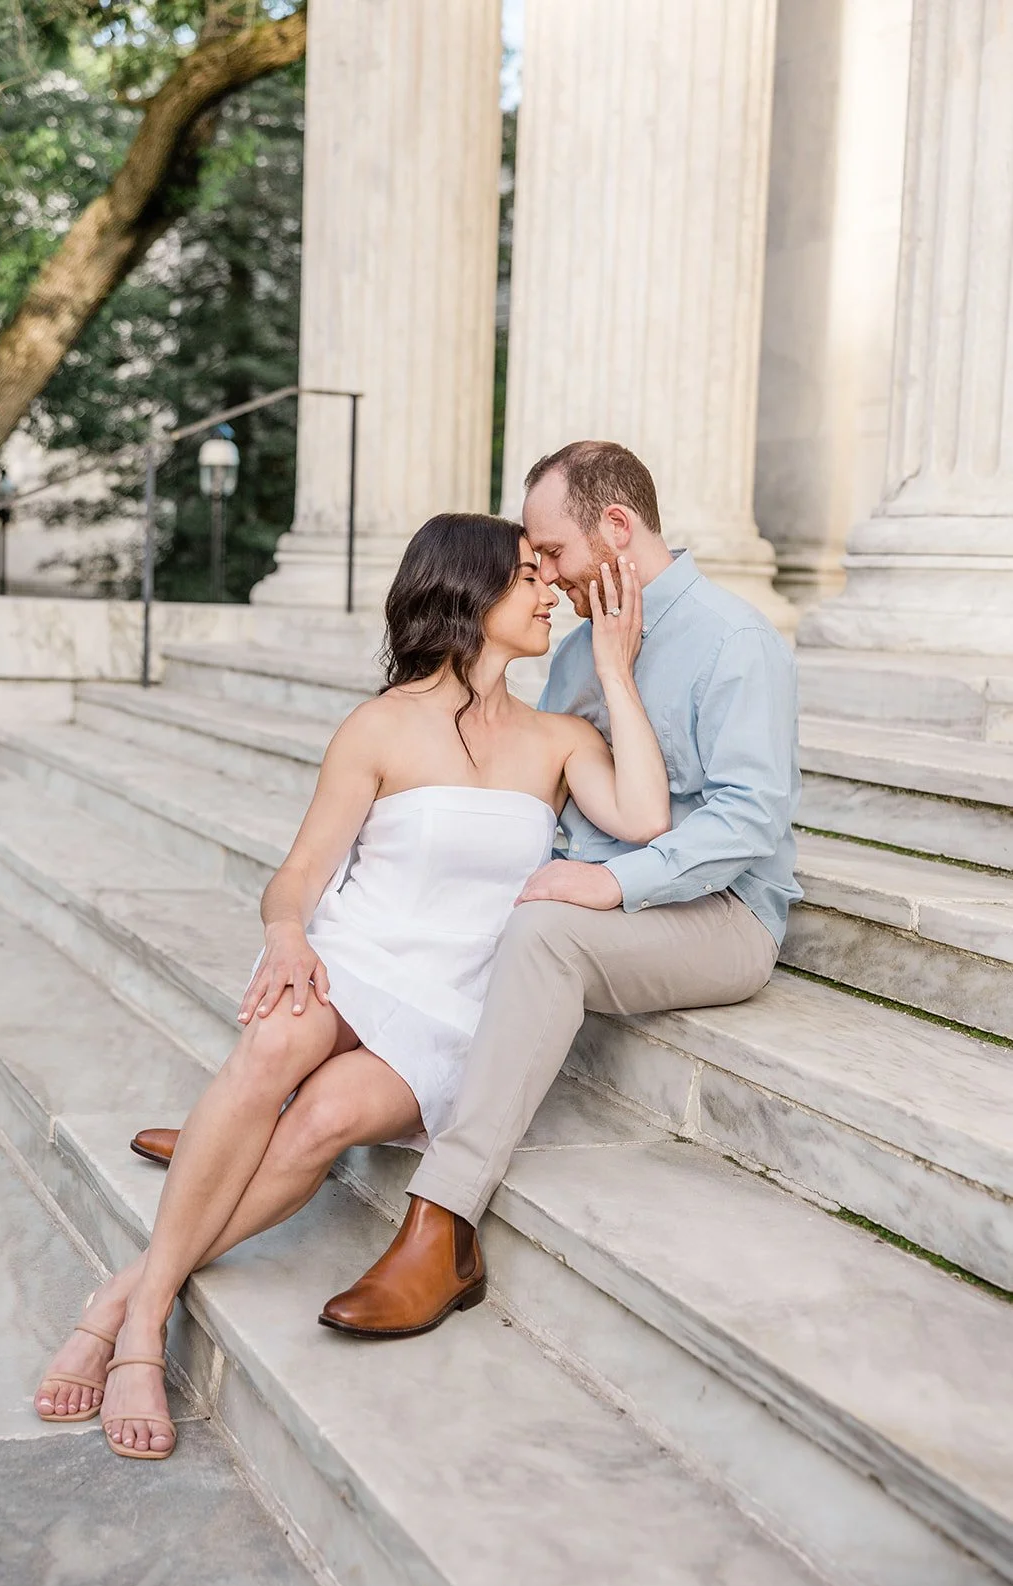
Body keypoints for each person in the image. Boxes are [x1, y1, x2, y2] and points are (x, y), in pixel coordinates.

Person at [33, 508, 670, 1457]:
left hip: (455, 1003)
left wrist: (615, 670)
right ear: (468, 591)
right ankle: (137, 1326)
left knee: (323, 1122)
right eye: (529, 578)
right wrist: (288, 938)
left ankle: (122, 1296)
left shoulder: (558, 740)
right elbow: (296, 877)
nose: (550, 594)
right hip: (352, 955)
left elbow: (647, 818)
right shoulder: (378, 726)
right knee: (275, 1044)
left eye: (548, 576)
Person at [313, 440, 801, 1337]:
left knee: (541, 934)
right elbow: (567, 787)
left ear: (616, 528)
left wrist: (611, 886)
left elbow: (747, 822)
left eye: (552, 552)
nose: (542, 573)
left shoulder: (735, 642)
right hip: (597, 893)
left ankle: (443, 1223)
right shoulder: (575, 652)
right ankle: (277, 1129)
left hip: (720, 915)